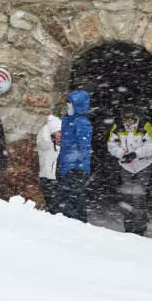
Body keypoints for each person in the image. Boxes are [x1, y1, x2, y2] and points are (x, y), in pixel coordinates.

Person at [107, 107, 152, 235]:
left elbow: (151, 144)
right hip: (126, 166)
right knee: (127, 196)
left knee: (138, 196)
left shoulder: (145, 126)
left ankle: (140, 228)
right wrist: (121, 153)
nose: (128, 122)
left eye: (131, 119)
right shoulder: (117, 127)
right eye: (126, 119)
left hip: (142, 165)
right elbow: (111, 144)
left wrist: (136, 154)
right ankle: (129, 227)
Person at [56, 90, 94, 222]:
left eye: (70, 104)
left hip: (76, 167)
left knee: (73, 199)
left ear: (77, 105)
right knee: (67, 199)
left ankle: (77, 224)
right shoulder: (69, 120)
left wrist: (80, 168)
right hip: (68, 166)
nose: (67, 107)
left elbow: (84, 147)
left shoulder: (82, 123)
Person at [36, 113, 63, 213]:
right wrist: (48, 128)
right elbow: (44, 143)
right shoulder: (46, 141)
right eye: (59, 132)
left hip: (54, 177)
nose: (61, 135)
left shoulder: (57, 144)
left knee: (54, 201)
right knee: (51, 201)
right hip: (47, 176)